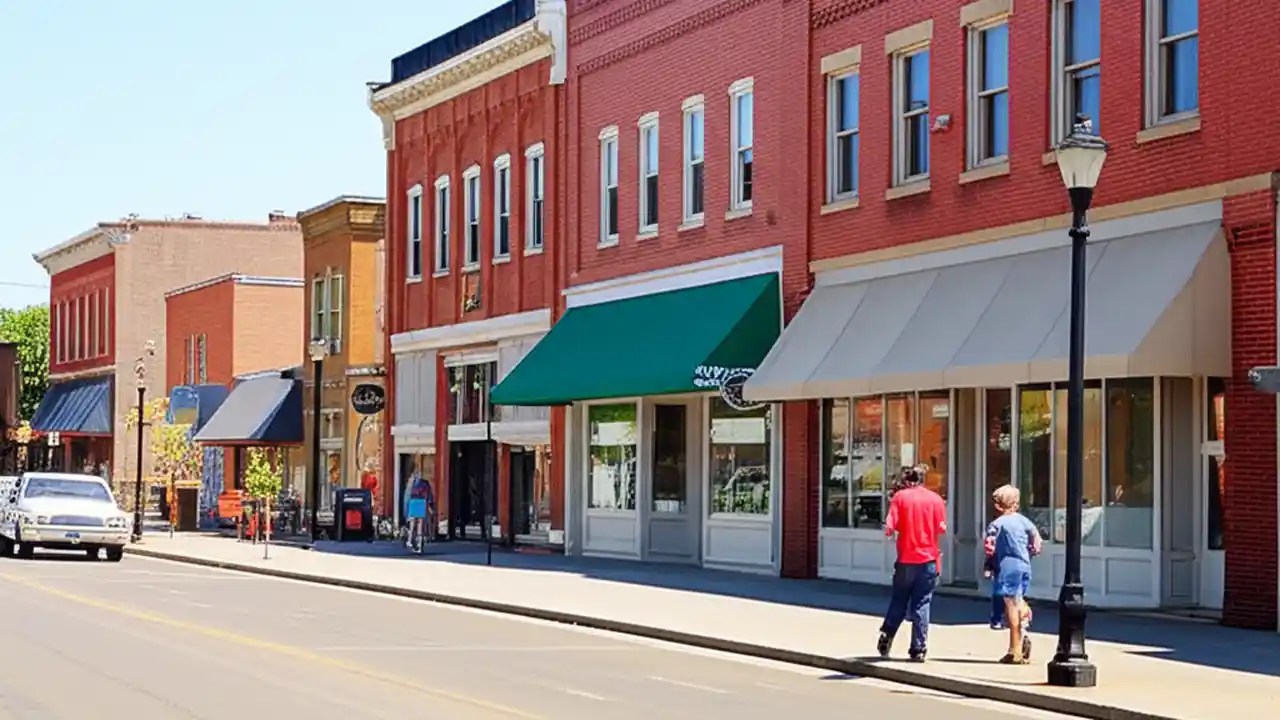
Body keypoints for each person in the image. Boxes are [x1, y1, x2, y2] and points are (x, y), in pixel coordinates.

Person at [877, 465, 947, 662]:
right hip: (929, 559)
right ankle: (918, 647)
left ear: (907, 479)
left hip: (906, 558)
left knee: (899, 599)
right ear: (924, 479)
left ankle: (888, 633)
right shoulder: (935, 500)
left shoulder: (900, 498)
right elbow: (941, 528)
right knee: (922, 603)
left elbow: (890, 527)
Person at [985, 484, 1043, 664]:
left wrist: (988, 565)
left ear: (997, 506)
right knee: (1018, 599)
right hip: (1024, 565)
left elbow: (989, 547)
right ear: (1016, 504)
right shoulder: (1024, 521)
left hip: (1007, 566)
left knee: (1010, 603)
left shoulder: (996, 524)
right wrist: (1031, 551)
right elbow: (1037, 541)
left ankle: (1015, 648)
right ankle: (1024, 624)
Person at [403, 466, 434, 552]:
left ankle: (410, 541)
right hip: (421, 503)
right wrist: (429, 506)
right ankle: (419, 545)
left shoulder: (411, 484)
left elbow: (407, 497)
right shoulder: (425, 484)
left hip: (414, 502)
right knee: (420, 524)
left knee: (412, 523)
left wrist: (406, 511)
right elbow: (429, 495)